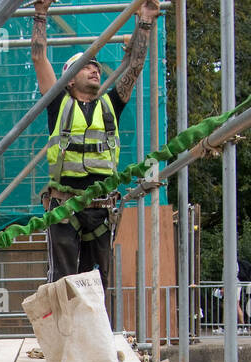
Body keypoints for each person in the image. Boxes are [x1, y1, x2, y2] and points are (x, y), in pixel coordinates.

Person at [31, 0, 161, 287]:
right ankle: (65, 332)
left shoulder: (110, 106)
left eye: (96, 66)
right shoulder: (58, 104)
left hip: (101, 208)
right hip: (65, 207)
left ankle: (92, 333)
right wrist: (40, 14)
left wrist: (146, 23)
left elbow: (135, 66)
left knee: (97, 283)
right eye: (85, 67)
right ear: (69, 79)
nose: (94, 70)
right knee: (64, 283)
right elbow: (40, 58)